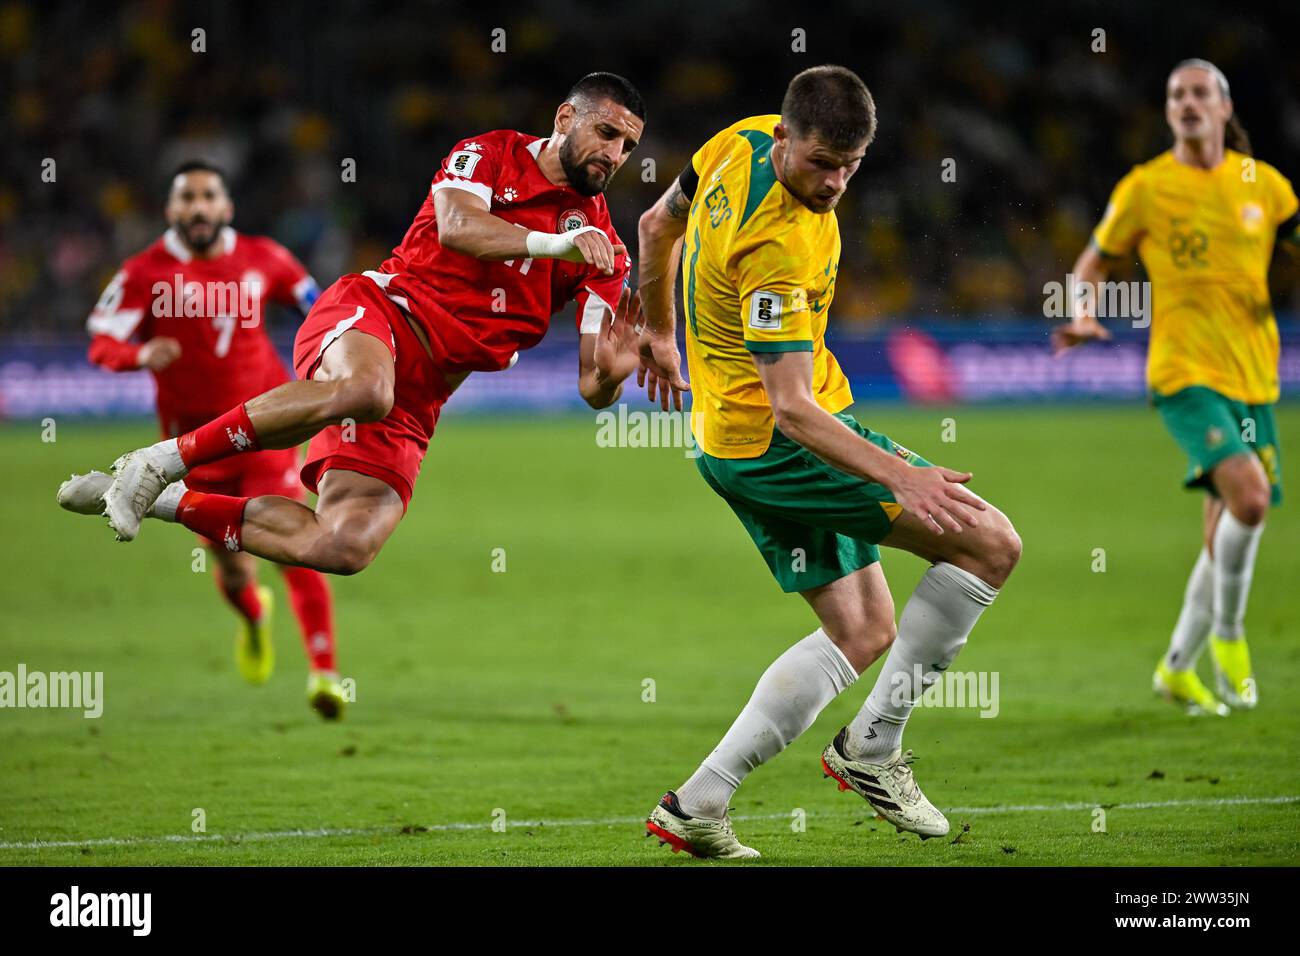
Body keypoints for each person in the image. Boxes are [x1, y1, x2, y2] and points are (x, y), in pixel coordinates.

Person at [635, 65, 1022, 859]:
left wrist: (659, 333)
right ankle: (873, 748)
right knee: (990, 544)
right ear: (785, 140)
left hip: (728, 443)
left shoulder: (735, 140)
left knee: (865, 627)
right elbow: (794, 409)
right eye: (819, 163)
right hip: (783, 443)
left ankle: (699, 800)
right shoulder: (777, 247)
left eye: (850, 165)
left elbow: (653, 227)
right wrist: (900, 474)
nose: (835, 181)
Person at [61, 75, 647, 593]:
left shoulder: (606, 254)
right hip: (380, 313)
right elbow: (457, 225)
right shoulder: (488, 153)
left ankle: (162, 499)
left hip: (423, 395)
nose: (615, 153)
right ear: (565, 118)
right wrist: (551, 244)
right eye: (606, 132)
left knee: (344, 546)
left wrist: (612, 379)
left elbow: (592, 380)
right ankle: (162, 460)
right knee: (368, 390)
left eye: (628, 146)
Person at [1054, 59, 1300, 716]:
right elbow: (1093, 261)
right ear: (1168, 113)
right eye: (1175, 95)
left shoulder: (1265, 185)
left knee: (1223, 524)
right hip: (1184, 375)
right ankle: (1228, 636)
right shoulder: (1146, 188)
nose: (1187, 103)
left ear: (1224, 108)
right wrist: (1081, 310)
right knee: (1249, 502)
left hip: (1255, 377)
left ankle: (1175, 668)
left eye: (1199, 93)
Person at [60, 161, 344, 719]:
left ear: (226, 208)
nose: (197, 207)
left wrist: (334, 362)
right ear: (170, 211)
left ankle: (325, 673)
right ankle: (254, 619)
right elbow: (101, 342)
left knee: (300, 544)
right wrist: (140, 354)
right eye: (186, 198)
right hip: (192, 448)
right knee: (236, 567)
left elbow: (321, 308)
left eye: (207, 196)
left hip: (265, 431)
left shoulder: (266, 257)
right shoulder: (144, 273)